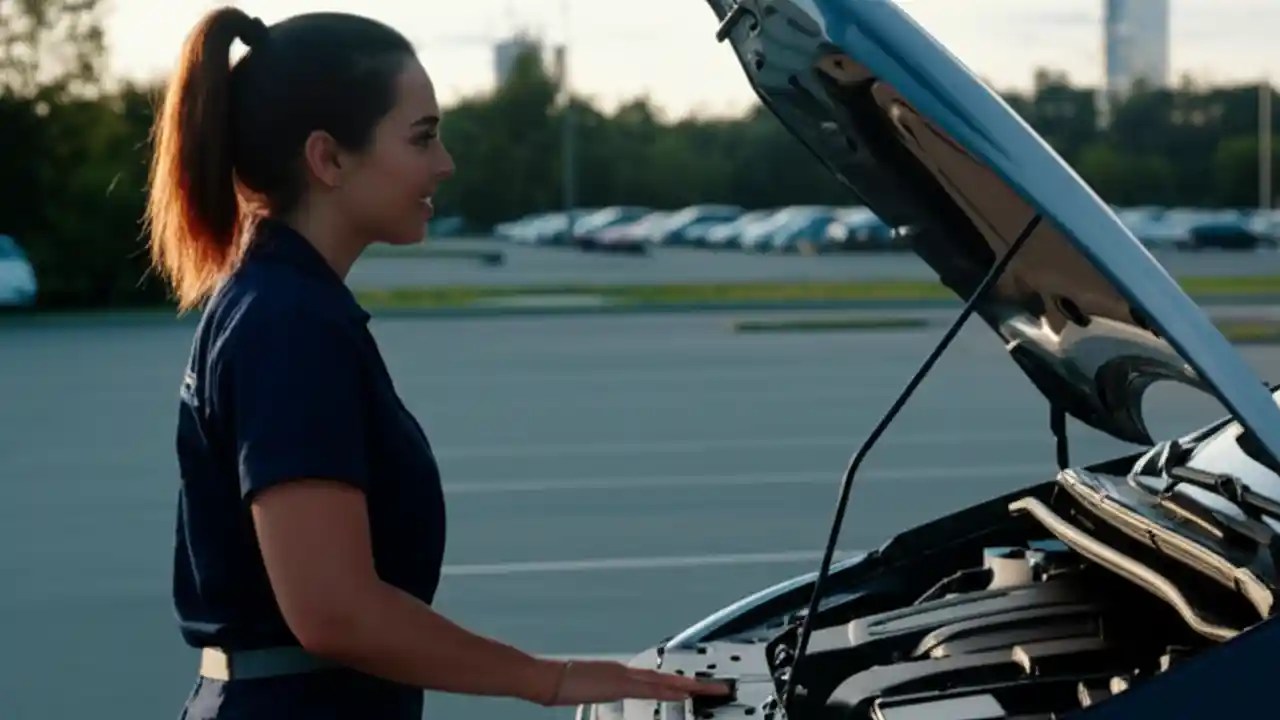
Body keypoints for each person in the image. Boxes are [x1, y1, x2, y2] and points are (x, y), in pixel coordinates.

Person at [145, 7, 731, 719]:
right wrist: (550, 678)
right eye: (422, 137)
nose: (444, 163)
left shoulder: (276, 301)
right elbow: (334, 611)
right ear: (328, 158)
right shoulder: (288, 323)